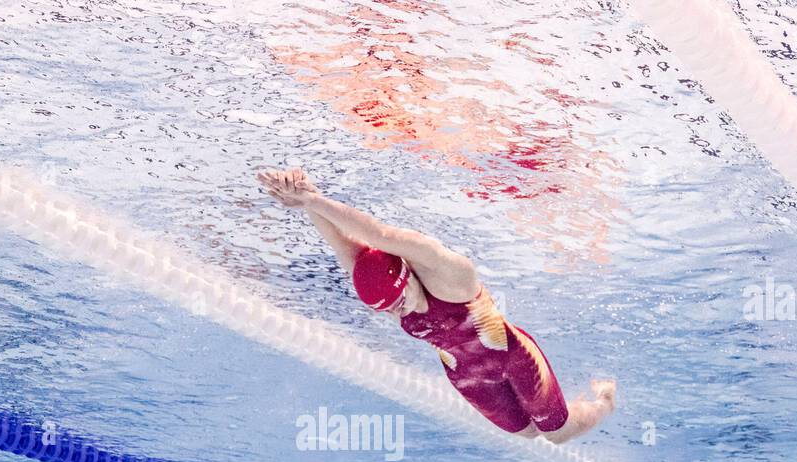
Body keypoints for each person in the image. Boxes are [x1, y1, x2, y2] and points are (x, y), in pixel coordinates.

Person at [257, 167, 616, 442]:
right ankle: (569, 409)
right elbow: (341, 241)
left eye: (400, 300)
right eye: (388, 310)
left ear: (407, 275)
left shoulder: (449, 274)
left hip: (510, 355)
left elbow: (377, 234)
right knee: (524, 433)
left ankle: (603, 402)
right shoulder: (373, 275)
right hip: (465, 373)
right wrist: (304, 198)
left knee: (554, 433)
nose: (399, 312)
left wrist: (317, 202)